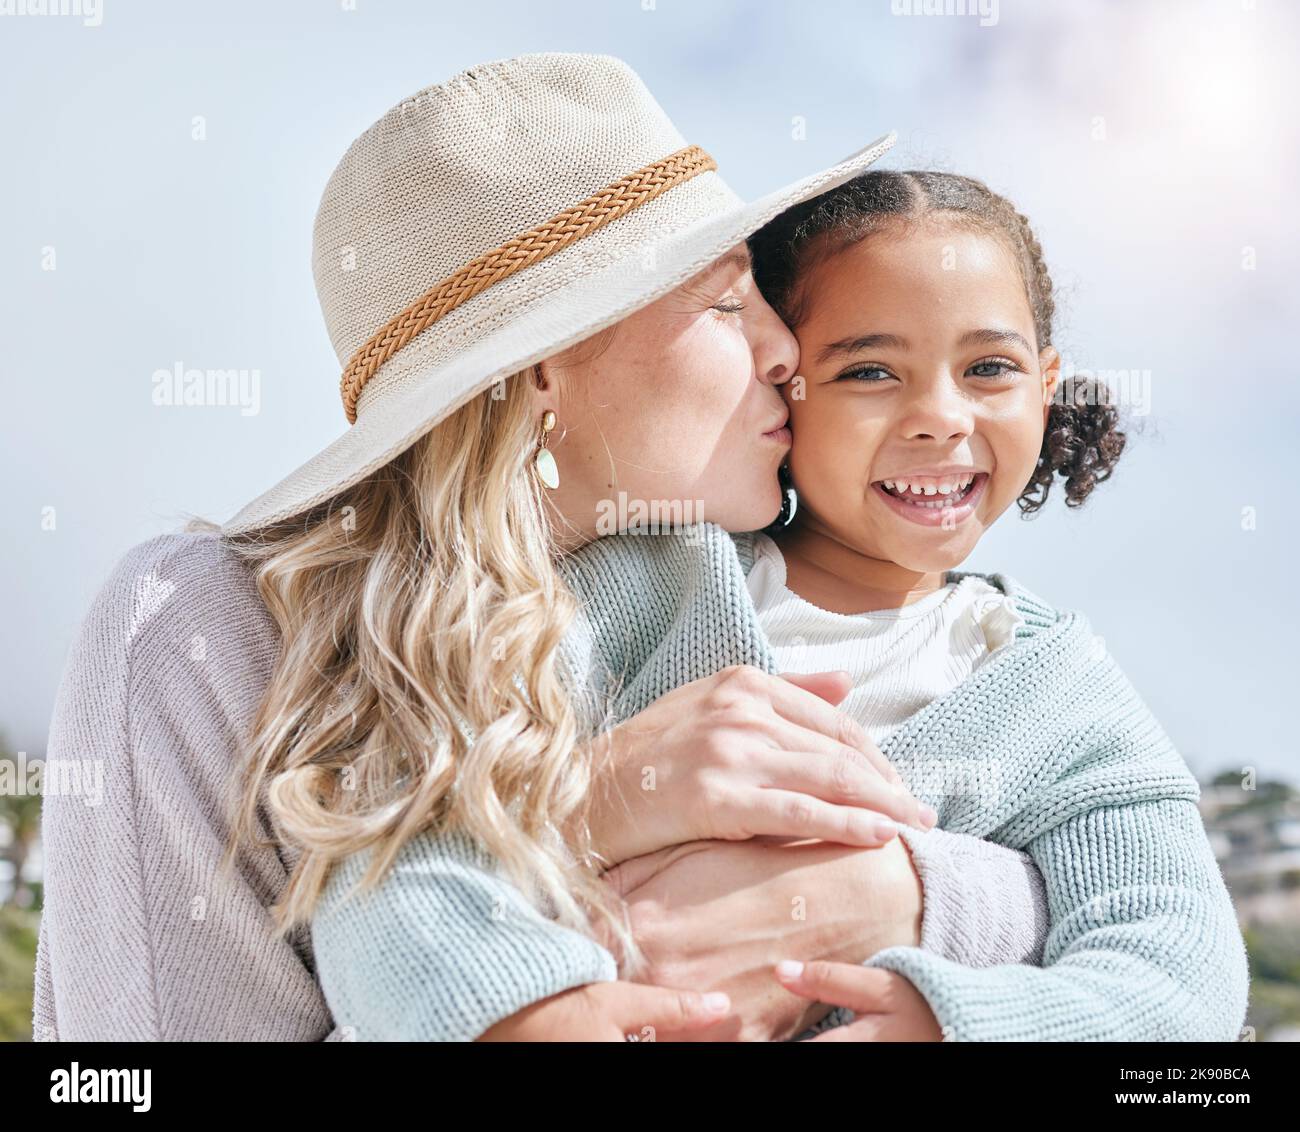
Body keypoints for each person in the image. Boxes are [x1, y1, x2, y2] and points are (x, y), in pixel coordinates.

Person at [33, 54, 1048, 1043]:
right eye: (726, 301)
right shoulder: (202, 634)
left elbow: (1102, 896)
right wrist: (575, 807)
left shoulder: (731, 582)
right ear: (540, 377)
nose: (784, 349)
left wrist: (897, 893)